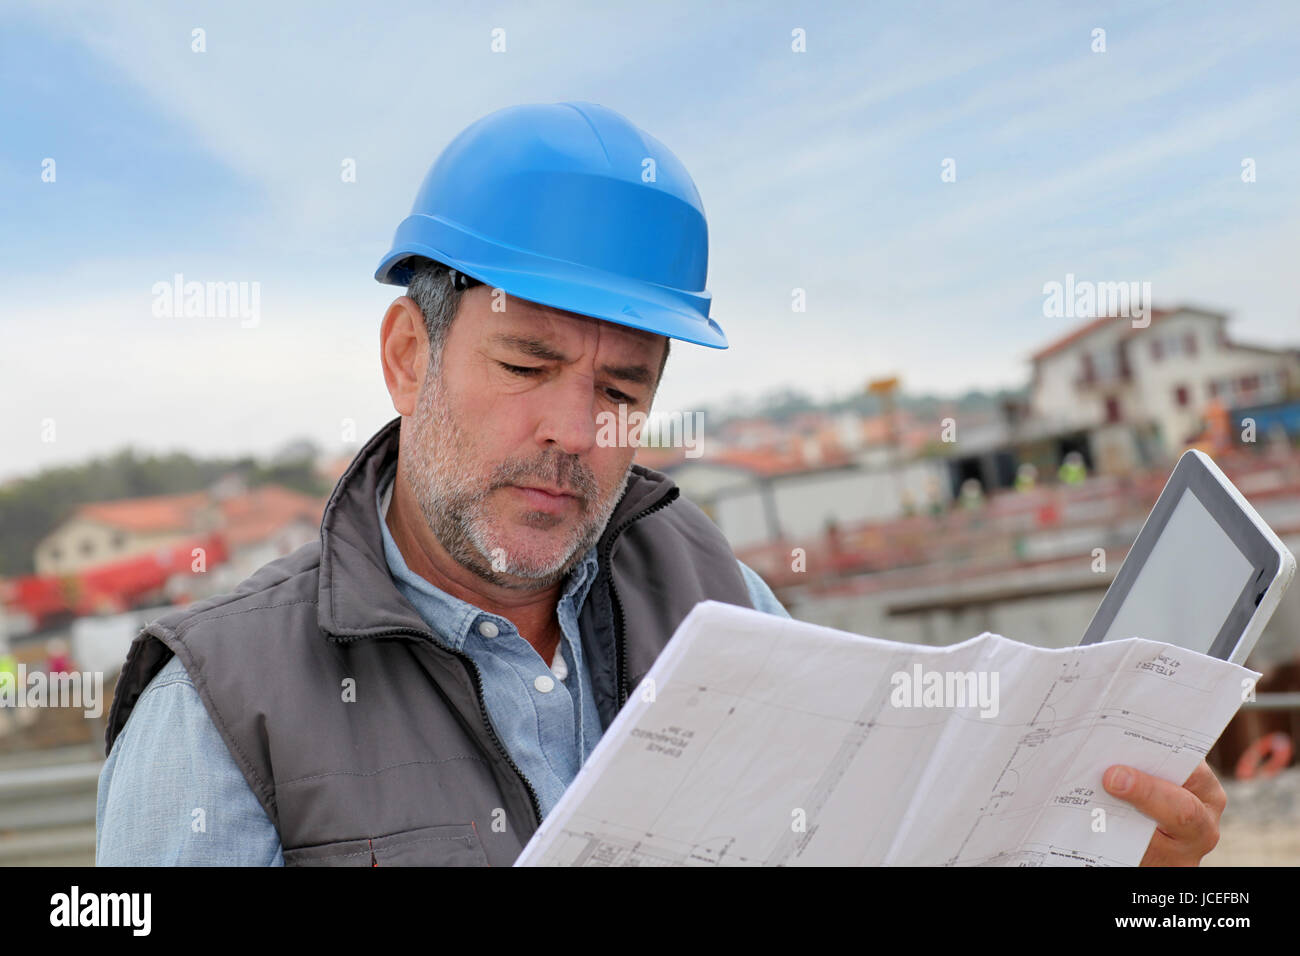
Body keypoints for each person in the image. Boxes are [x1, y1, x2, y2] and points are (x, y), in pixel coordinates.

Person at [96, 102, 1225, 867]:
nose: (575, 431)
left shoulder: (728, 599)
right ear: (408, 354)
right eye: (527, 364)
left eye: (623, 388)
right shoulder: (213, 706)